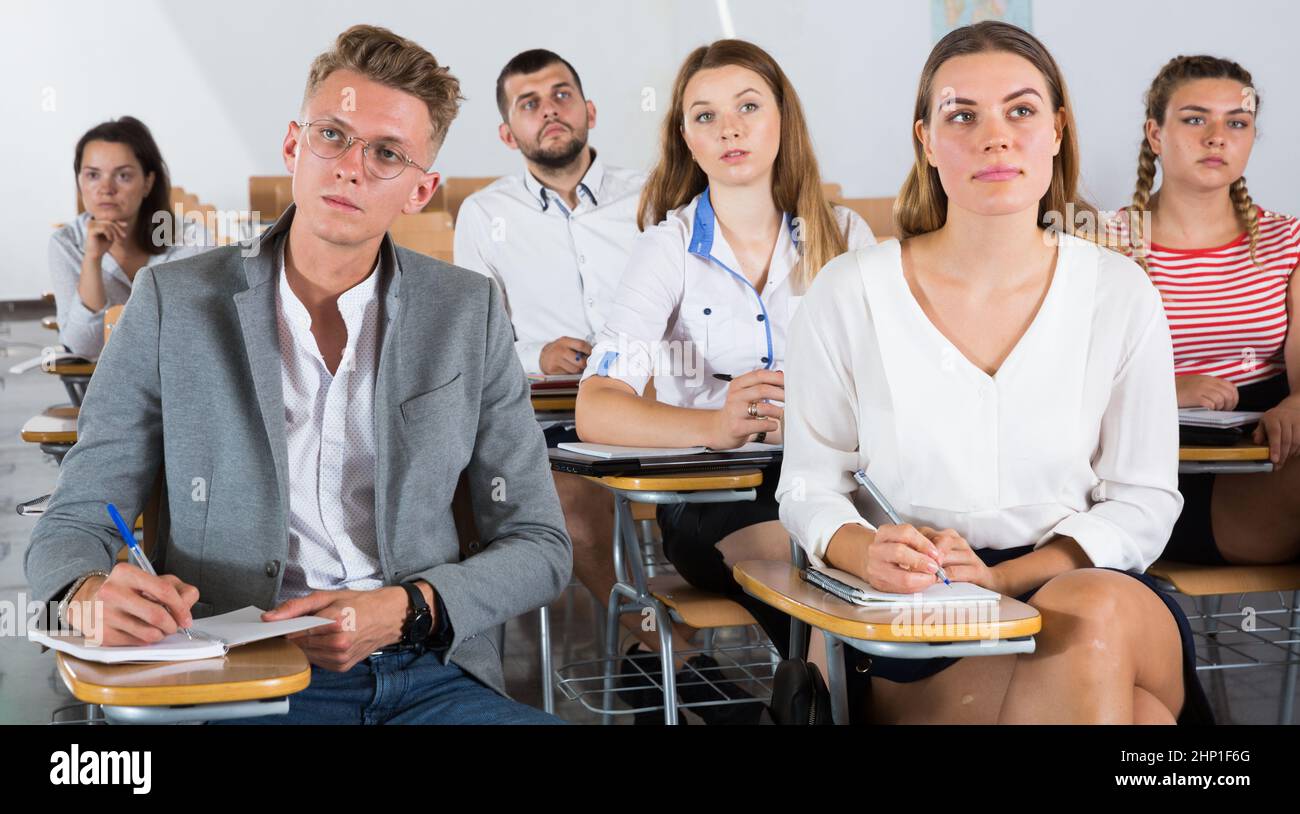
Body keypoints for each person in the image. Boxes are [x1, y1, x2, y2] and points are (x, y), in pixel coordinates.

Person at [26, 24, 570, 725]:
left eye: (387, 153)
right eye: (333, 135)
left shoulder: (469, 313)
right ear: (294, 146)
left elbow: (541, 545)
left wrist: (407, 610)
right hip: (241, 676)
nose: (350, 167)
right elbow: (75, 515)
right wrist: (84, 592)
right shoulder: (174, 304)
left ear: (420, 190)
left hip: (429, 674)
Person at [776, 21, 1212, 724]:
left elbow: (1145, 499)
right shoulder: (848, 290)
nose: (995, 137)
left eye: (1021, 110)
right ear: (926, 139)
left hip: (1084, 578)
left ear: (1057, 129)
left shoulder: (1120, 292)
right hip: (924, 615)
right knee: (1143, 721)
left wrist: (1009, 577)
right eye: (961, 115)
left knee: (1094, 607)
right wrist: (864, 549)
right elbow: (807, 485)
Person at [576, 39, 874, 722]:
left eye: (747, 107)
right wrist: (714, 426)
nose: (730, 128)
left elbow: (900, 384)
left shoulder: (846, 236)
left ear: (782, 120)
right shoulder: (667, 249)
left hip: (843, 488)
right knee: (814, 588)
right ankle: (823, 703)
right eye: (705, 116)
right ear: (685, 136)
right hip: (722, 497)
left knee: (890, 578)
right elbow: (597, 406)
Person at [453, 48, 651, 662]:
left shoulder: (651, 195)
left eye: (562, 95)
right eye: (529, 104)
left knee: (705, 513)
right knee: (576, 519)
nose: (550, 111)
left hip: (655, 402)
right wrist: (539, 353)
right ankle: (658, 642)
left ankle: (658, 653)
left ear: (589, 110)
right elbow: (473, 344)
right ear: (508, 132)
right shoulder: (486, 214)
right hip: (548, 414)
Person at [1106, 55, 1300, 566]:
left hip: (1270, 464)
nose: (1218, 137)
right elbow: (1060, 382)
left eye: (1237, 123)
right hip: (1159, 493)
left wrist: (1297, 404)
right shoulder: (1101, 242)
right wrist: (1161, 390)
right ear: (1155, 134)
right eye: (1195, 119)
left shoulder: (1289, 241)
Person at [49, 116, 207, 358]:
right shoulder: (66, 243)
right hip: (106, 389)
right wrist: (92, 259)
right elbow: (83, 348)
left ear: (147, 182)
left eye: (123, 176)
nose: (106, 188)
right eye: (93, 175)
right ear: (79, 182)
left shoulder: (191, 239)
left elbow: (200, 333)